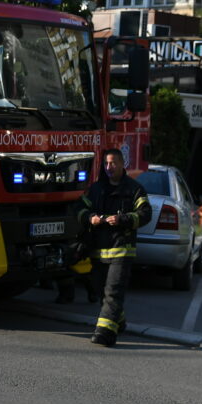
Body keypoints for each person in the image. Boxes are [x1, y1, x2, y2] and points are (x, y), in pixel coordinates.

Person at [77, 148, 152, 347]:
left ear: (122, 164)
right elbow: (80, 209)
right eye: (106, 164)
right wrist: (89, 218)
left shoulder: (134, 189)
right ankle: (119, 321)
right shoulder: (96, 188)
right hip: (99, 250)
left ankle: (105, 333)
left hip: (122, 249)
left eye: (113, 163)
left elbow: (145, 214)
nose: (109, 168)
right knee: (101, 291)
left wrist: (122, 219)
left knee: (113, 291)